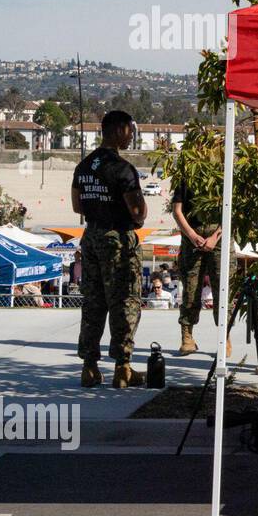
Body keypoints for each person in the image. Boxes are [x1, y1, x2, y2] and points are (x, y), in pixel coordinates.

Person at [72, 110, 146, 388]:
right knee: (125, 301)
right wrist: (138, 217)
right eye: (130, 130)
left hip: (91, 235)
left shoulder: (83, 166)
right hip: (118, 239)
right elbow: (137, 211)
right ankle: (122, 367)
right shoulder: (122, 168)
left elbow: (77, 206)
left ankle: (89, 367)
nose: (132, 136)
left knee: (93, 302)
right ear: (118, 130)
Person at [172, 173, 224, 356]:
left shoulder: (224, 174)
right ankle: (187, 336)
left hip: (219, 238)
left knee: (223, 288)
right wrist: (192, 235)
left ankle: (225, 337)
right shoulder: (188, 175)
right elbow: (177, 210)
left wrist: (216, 236)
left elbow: (233, 210)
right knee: (190, 288)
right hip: (192, 237)